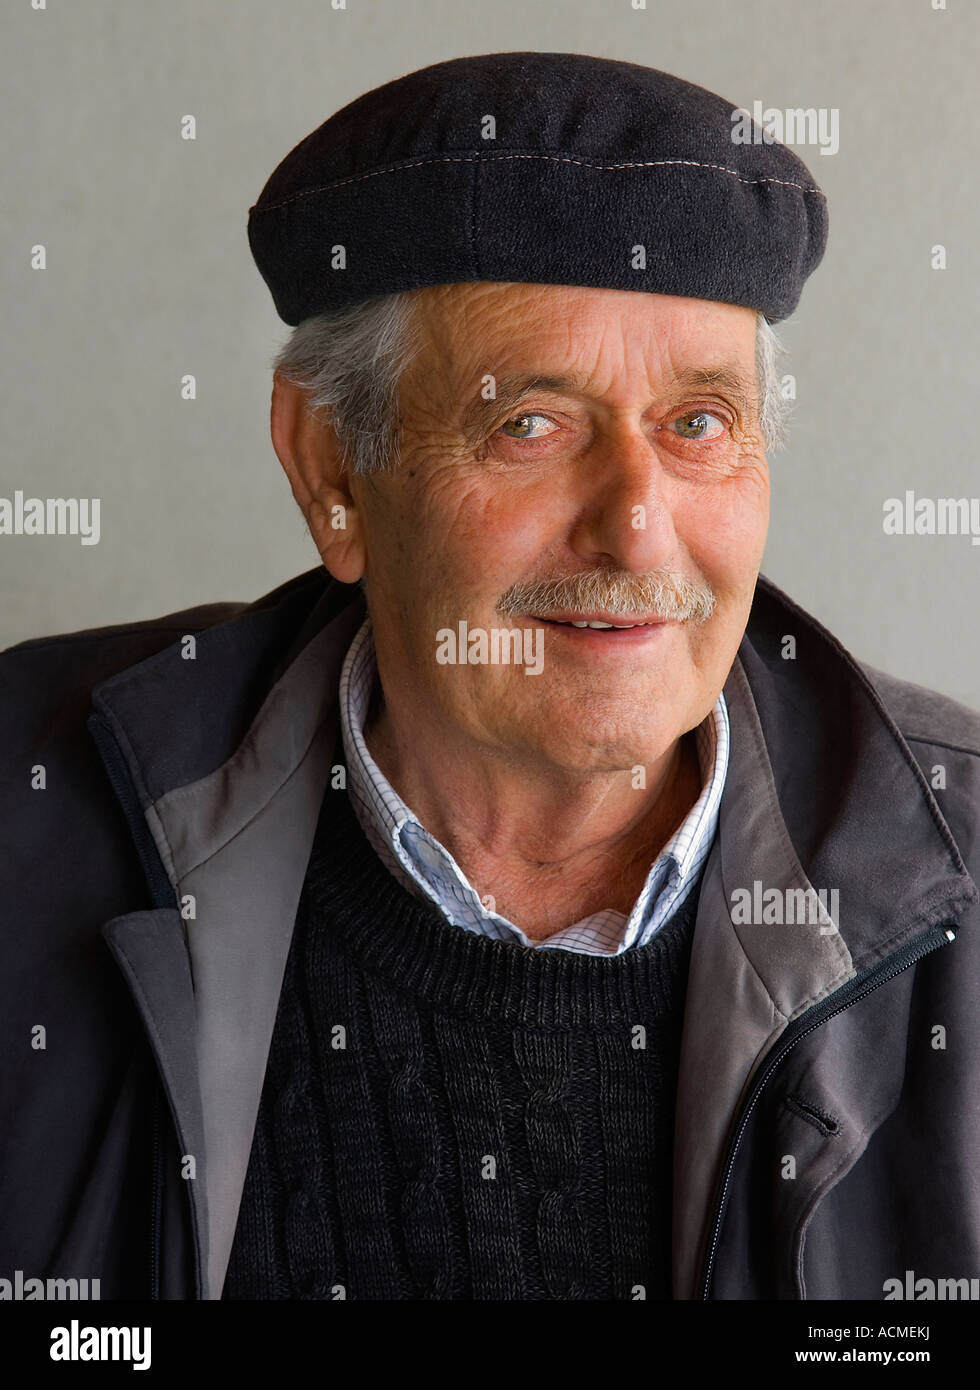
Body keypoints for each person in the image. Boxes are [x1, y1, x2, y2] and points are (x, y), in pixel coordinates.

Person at [2, 52, 978, 1303]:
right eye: (531, 422)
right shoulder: (26, 807)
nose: (634, 523)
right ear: (330, 473)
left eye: (697, 424)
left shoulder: (949, 876)